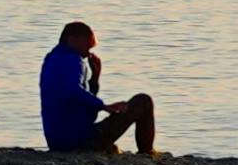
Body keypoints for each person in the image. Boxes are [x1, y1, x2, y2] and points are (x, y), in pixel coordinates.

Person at [38, 20, 155, 155]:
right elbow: (73, 91)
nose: (88, 53)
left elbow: (79, 102)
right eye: (87, 46)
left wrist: (94, 79)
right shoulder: (72, 59)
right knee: (143, 101)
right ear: (72, 39)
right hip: (77, 140)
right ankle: (146, 152)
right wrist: (104, 106)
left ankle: (107, 147)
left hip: (57, 142)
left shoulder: (52, 58)